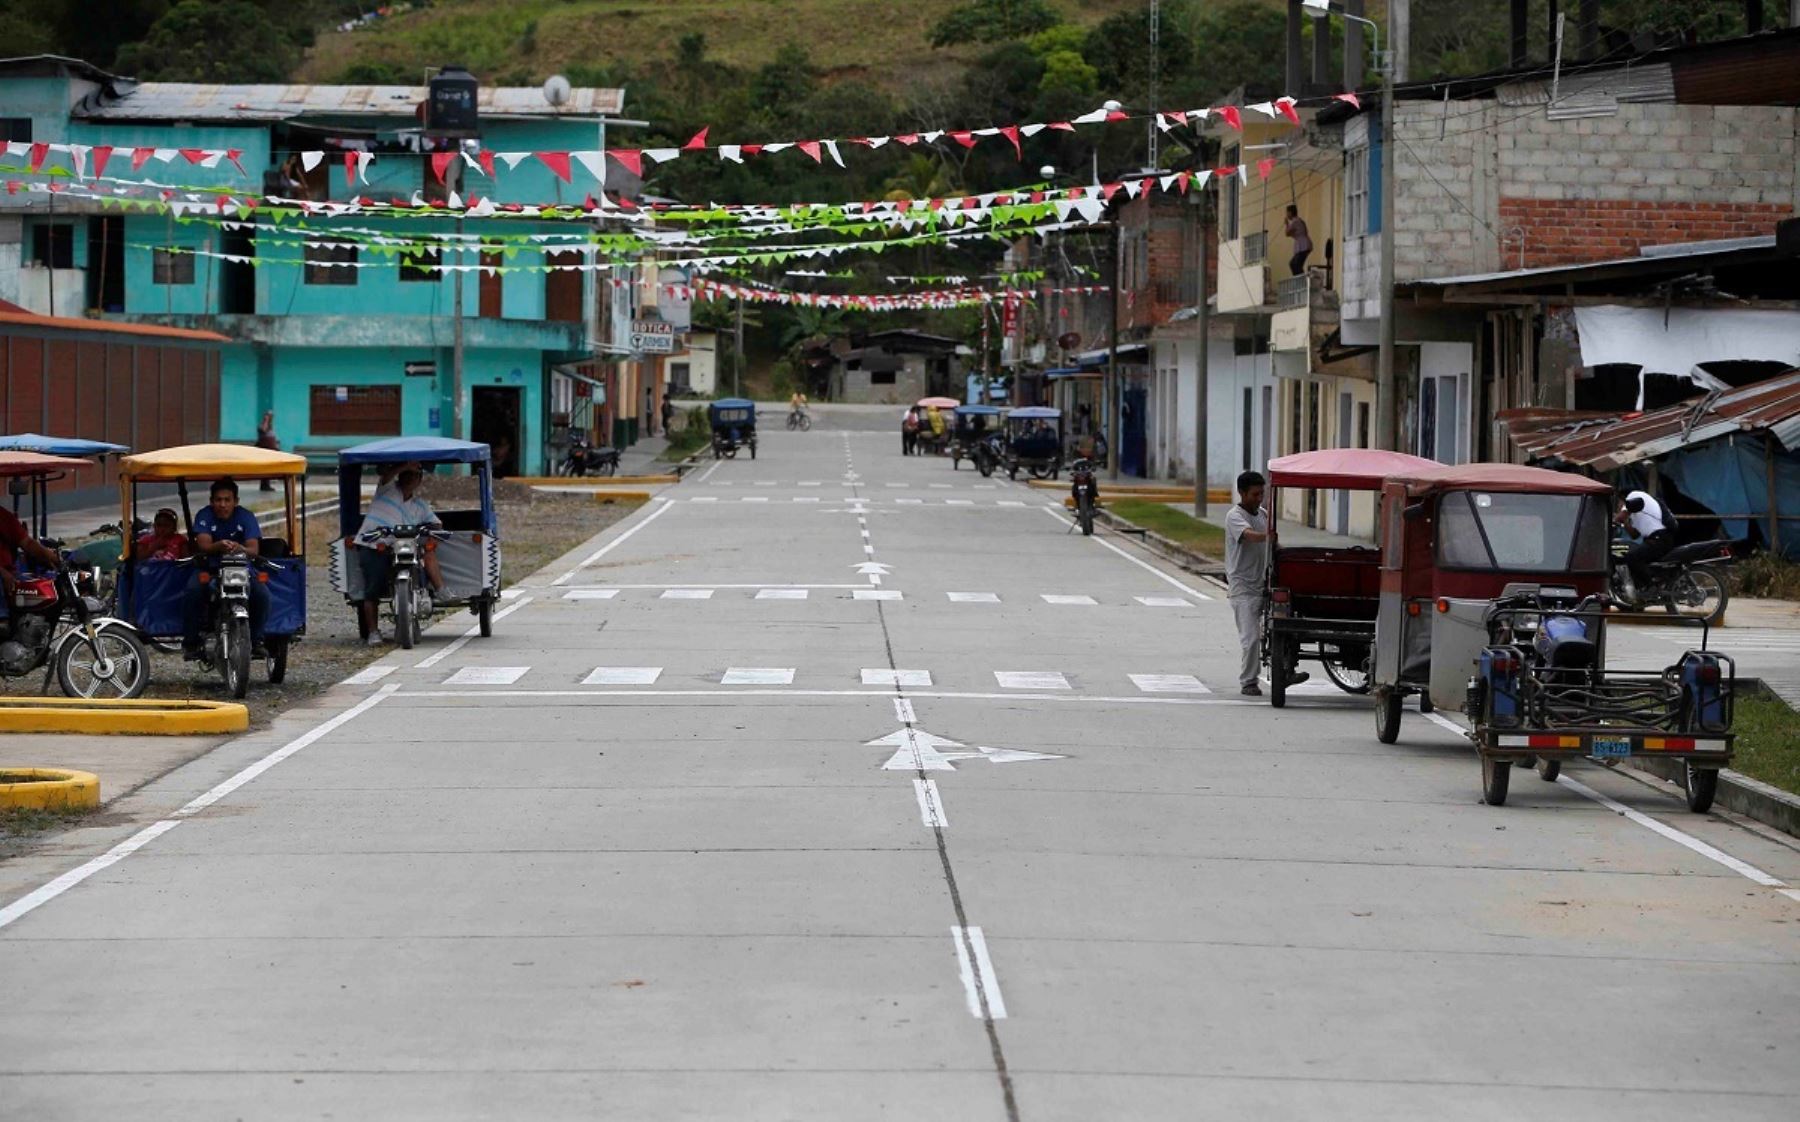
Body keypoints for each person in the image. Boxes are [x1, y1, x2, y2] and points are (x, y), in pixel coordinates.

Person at [1224, 470, 1306, 697]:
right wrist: (1268, 536)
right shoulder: (1234, 516)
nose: (1259, 498)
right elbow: (1249, 535)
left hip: (1265, 584)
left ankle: (1286, 670)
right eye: (1255, 494)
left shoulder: (1263, 515)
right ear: (1242, 493)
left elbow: (1274, 546)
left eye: (1262, 493)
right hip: (1243, 588)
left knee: (1283, 631)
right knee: (1251, 639)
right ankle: (1249, 681)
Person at [355, 462, 446, 647]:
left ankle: (435, 592)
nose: (410, 478)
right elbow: (386, 476)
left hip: (404, 546)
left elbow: (437, 524)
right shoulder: (387, 489)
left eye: (415, 475)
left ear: (420, 480)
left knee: (424, 557)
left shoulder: (420, 505)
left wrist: (430, 530)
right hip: (375, 545)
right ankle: (373, 632)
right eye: (407, 474)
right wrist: (404, 466)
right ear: (400, 475)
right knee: (372, 589)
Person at [183, 478, 269, 660]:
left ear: (235, 501)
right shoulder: (204, 515)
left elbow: (253, 549)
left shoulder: (246, 516)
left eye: (227, 500)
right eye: (218, 500)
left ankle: (257, 641)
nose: (222, 504)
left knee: (262, 595)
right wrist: (218, 546)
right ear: (211, 501)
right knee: (192, 591)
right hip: (210, 568)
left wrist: (240, 548)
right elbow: (204, 545)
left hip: (242, 570)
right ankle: (191, 642)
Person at [1616, 488, 1676, 599]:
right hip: (1655, 539)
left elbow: (1620, 516)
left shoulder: (1633, 495)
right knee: (1633, 553)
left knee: (1632, 557)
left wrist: (1611, 520)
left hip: (1659, 539)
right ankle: (1640, 590)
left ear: (1623, 498)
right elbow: (1635, 535)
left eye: (1618, 502)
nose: (1618, 505)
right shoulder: (1638, 511)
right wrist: (1625, 523)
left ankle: (1651, 586)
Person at [1285, 204, 1312, 278]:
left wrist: (1287, 224)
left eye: (1287, 212)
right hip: (1303, 245)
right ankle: (1299, 280)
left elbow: (1287, 233)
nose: (1286, 215)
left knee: (1296, 265)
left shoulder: (1295, 222)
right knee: (1293, 264)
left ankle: (1302, 281)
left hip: (1303, 246)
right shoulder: (1299, 221)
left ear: (1290, 212)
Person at [255, 411, 280, 491]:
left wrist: (275, 447)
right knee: (266, 467)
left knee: (268, 467)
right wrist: (266, 419)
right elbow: (263, 430)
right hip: (265, 450)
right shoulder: (262, 426)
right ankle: (264, 485)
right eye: (269, 417)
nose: (271, 419)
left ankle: (266, 484)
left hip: (270, 450)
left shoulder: (270, 427)